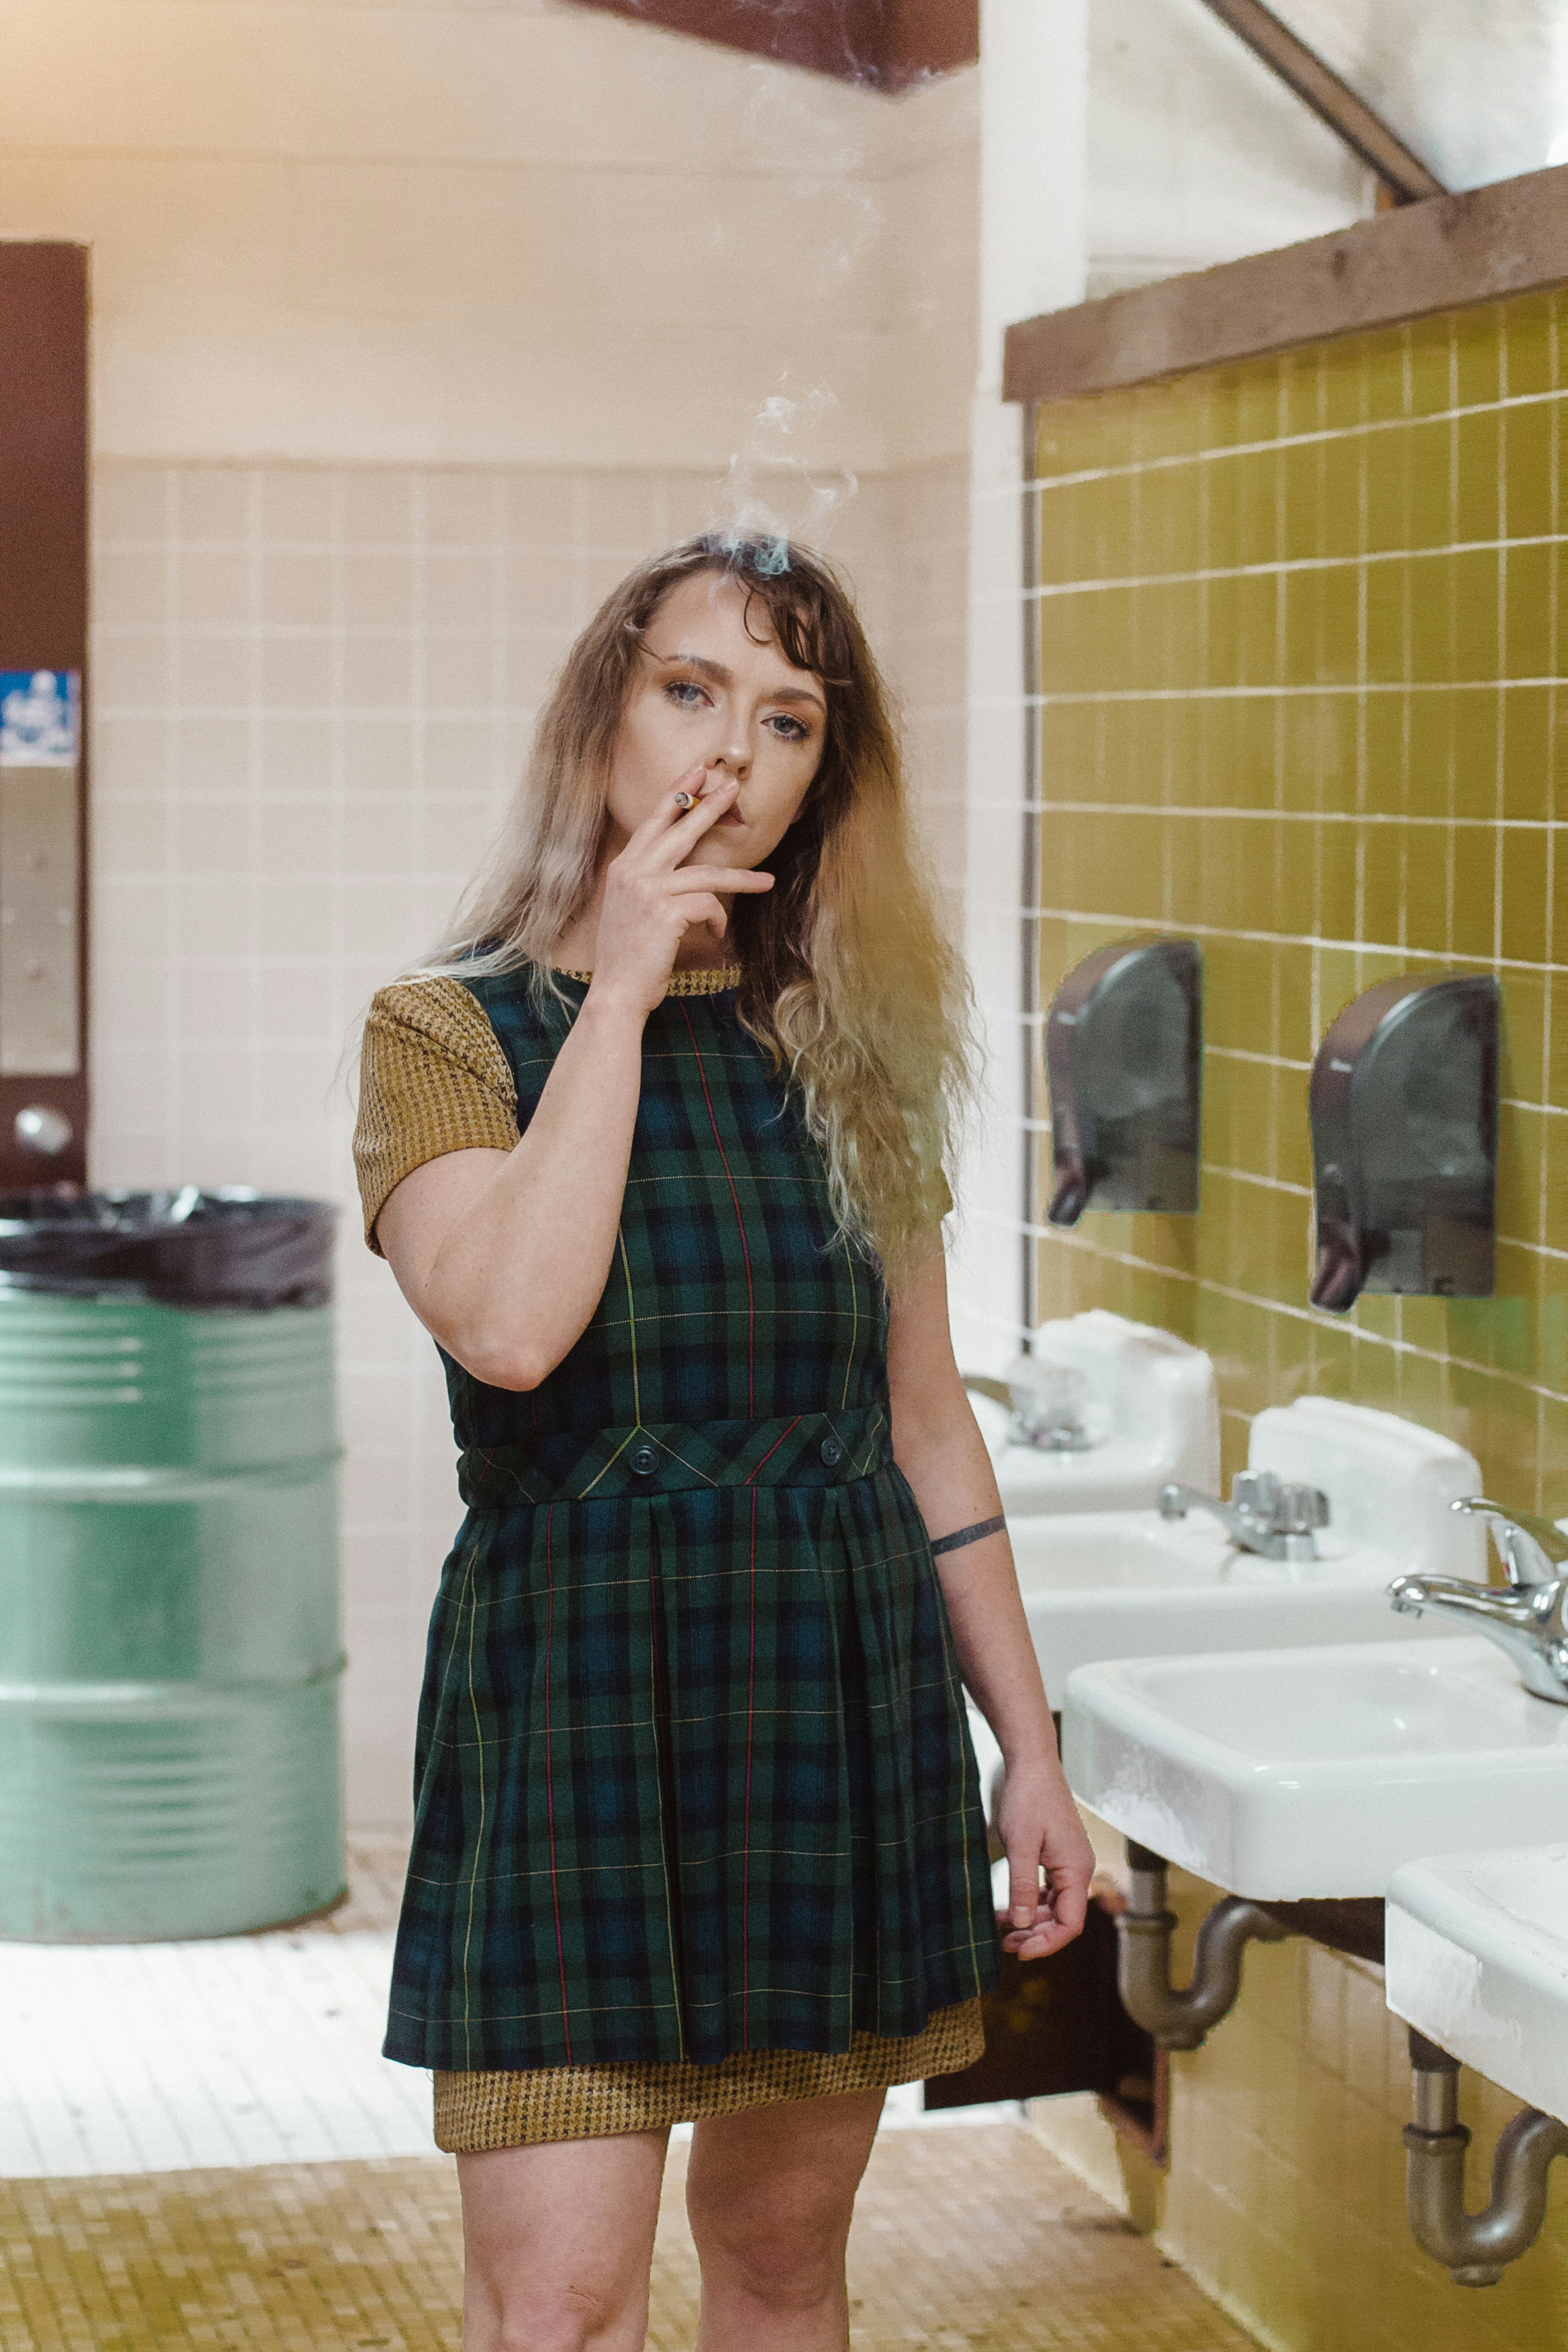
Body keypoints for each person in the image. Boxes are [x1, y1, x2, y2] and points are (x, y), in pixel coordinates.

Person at [353, 534, 1093, 2352]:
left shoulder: (852, 1052)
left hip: (821, 1696)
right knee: (562, 2309)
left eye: (787, 717)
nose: (731, 753)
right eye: (691, 692)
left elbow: (927, 1432)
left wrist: (1033, 1754)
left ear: (822, 770)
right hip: (574, 1712)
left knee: (779, 2271)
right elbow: (514, 1325)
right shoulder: (442, 1032)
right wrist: (613, 987)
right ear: (605, 713)